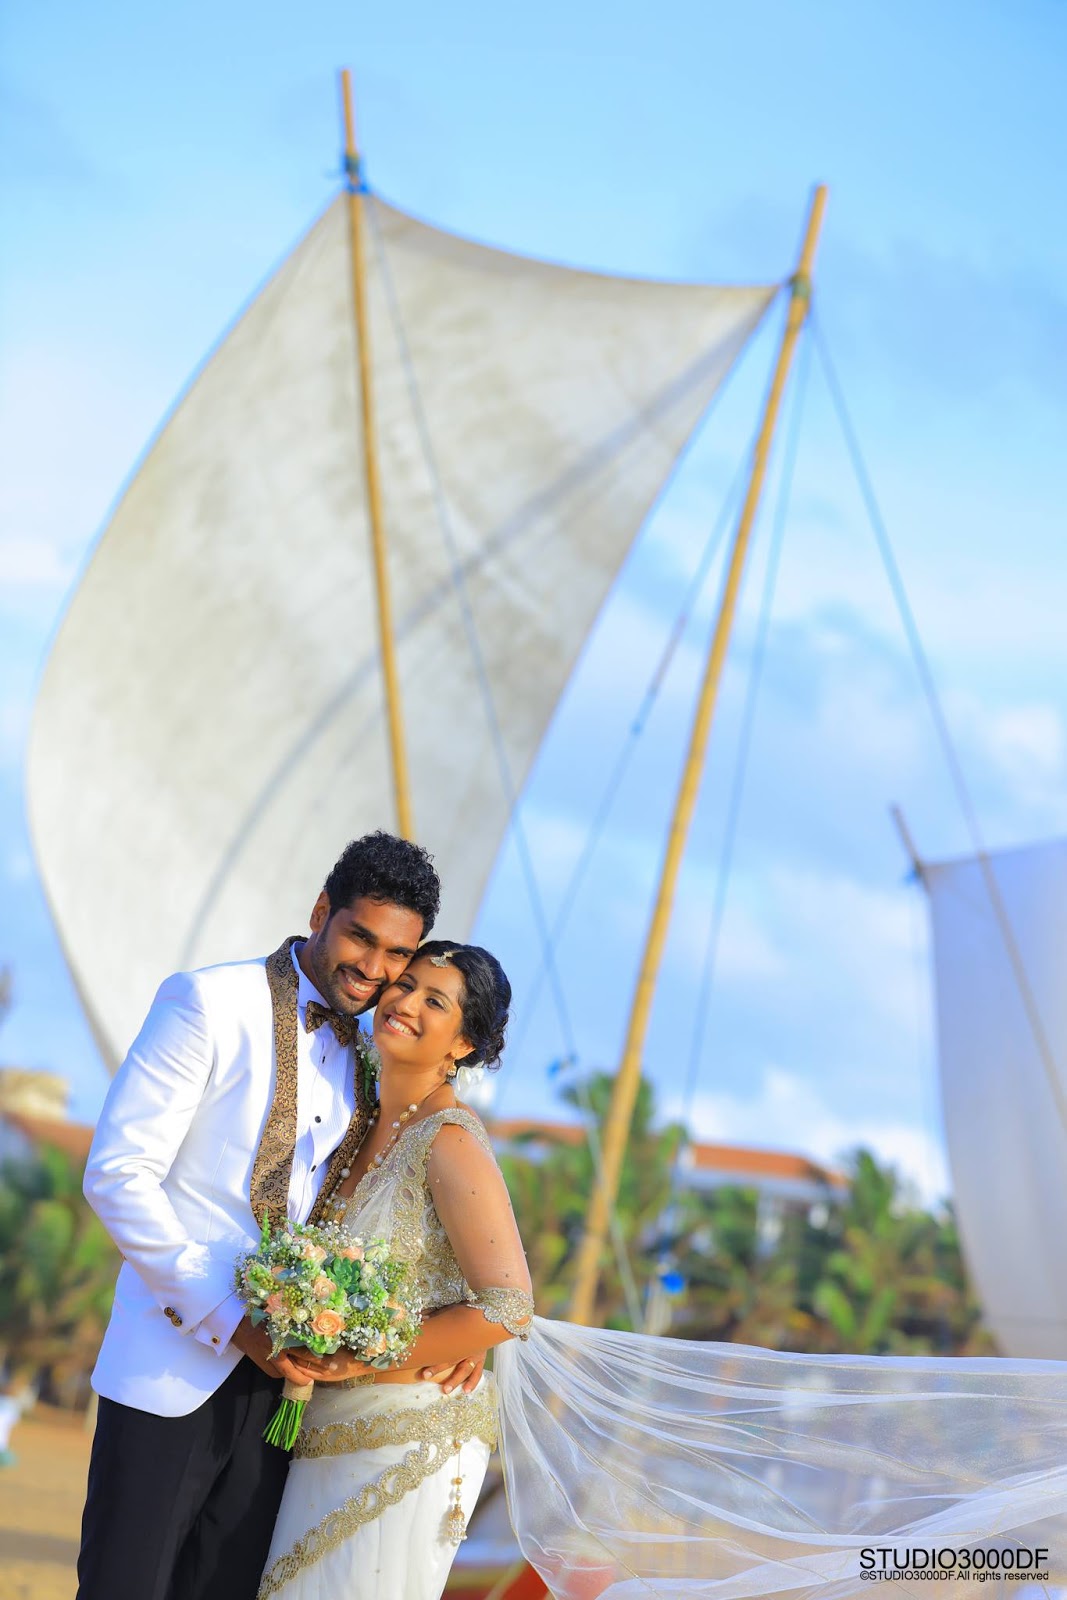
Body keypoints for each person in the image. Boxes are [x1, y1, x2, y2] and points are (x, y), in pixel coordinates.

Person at [257, 940, 1067, 1600]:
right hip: (332, 1422)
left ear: (463, 1043)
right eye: (401, 985)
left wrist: (365, 1353)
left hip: (402, 1435)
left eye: (433, 1000)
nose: (402, 1002)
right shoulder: (358, 1122)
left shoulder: (449, 1141)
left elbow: (507, 1305)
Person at [77, 832, 483, 1600]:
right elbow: (120, 1176)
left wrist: (458, 1329)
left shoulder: (374, 1052)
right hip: (172, 1363)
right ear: (321, 911)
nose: (373, 967)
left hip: (293, 1400)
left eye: (397, 954)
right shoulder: (207, 1001)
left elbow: (389, 1211)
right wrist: (233, 1320)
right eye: (360, 935)